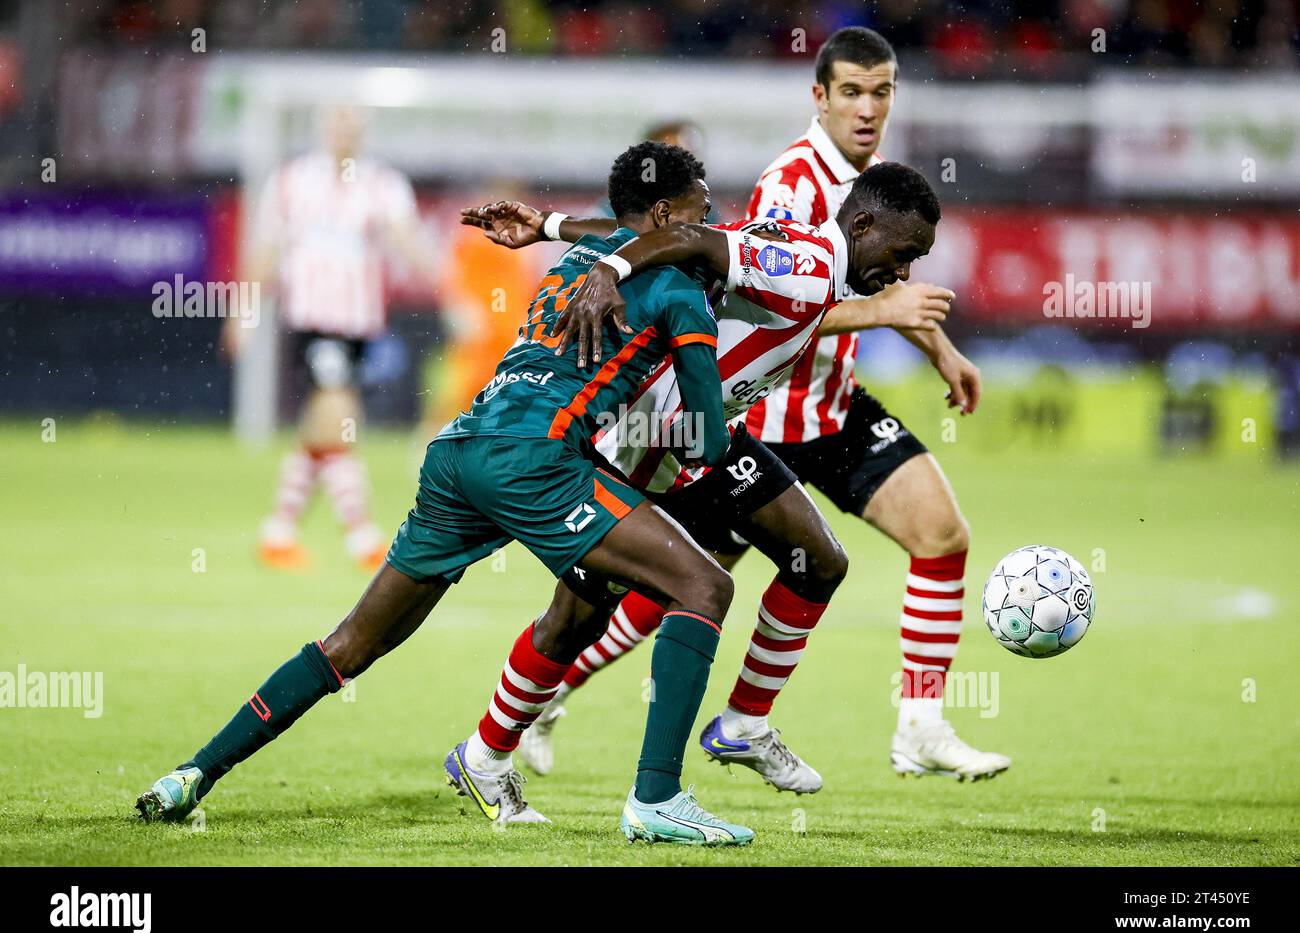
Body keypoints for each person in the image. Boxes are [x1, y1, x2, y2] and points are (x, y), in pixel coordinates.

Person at [138, 142, 753, 847]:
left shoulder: (580, 261)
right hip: (536, 461)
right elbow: (706, 442)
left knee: (352, 643)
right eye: (703, 209)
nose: (713, 224)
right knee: (704, 587)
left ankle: (190, 775)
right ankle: (657, 798)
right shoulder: (679, 291)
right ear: (667, 213)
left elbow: (594, 237)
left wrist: (551, 228)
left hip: (460, 452)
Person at [520, 27, 1011, 784]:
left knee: (939, 534)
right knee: (661, 589)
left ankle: (918, 722)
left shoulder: (880, 185)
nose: (868, 107)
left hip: (830, 404)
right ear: (820, 96)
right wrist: (882, 313)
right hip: (747, 417)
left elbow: (876, 286)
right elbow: (771, 290)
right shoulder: (795, 182)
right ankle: (550, 702)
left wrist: (940, 349)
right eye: (851, 91)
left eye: (881, 92)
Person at [459, 158, 943, 804]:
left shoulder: (805, 253)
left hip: (709, 437)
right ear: (862, 223)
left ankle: (744, 722)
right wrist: (606, 270)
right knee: (575, 618)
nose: (904, 272)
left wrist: (551, 224)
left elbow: (677, 237)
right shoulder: (801, 265)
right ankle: (487, 749)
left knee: (818, 560)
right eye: (903, 252)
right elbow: (684, 239)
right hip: (648, 438)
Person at [228, 104, 435, 572]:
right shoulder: (290, 181)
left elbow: (408, 240)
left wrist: (452, 291)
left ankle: (278, 532)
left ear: (362, 131)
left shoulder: (382, 183)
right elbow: (263, 250)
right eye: (337, 121)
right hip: (312, 320)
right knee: (342, 417)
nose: (345, 130)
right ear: (323, 128)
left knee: (322, 429)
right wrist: (243, 313)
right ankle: (363, 538)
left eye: (353, 122)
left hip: (360, 325)